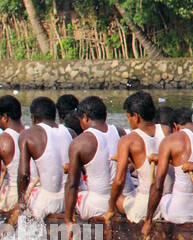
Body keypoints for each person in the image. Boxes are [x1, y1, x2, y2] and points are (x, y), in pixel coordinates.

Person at [143, 101, 193, 234]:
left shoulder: (170, 141)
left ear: (175, 126)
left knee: (165, 197)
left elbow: (158, 185)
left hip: (179, 213)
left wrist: (148, 220)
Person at [107, 90, 168, 224]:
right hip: (168, 202)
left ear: (136, 117)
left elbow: (119, 181)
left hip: (145, 206)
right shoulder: (167, 130)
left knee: (116, 198)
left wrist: (111, 208)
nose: (128, 122)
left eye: (128, 117)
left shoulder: (128, 140)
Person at [61, 97, 121, 225]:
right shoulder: (121, 133)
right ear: (106, 115)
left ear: (85, 118)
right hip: (121, 202)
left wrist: (67, 218)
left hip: (98, 205)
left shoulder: (81, 141)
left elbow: (72, 184)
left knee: (65, 195)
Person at [15, 96, 74, 221]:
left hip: (46, 204)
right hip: (70, 201)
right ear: (54, 115)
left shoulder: (28, 134)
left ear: (34, 118)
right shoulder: (71, 132)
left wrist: (20, 202)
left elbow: (24, 174)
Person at [0, 95, 24, 214]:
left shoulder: (4, 138)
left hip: (14, 196)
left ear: (4, 117)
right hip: (32, 193)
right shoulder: (31, 132)